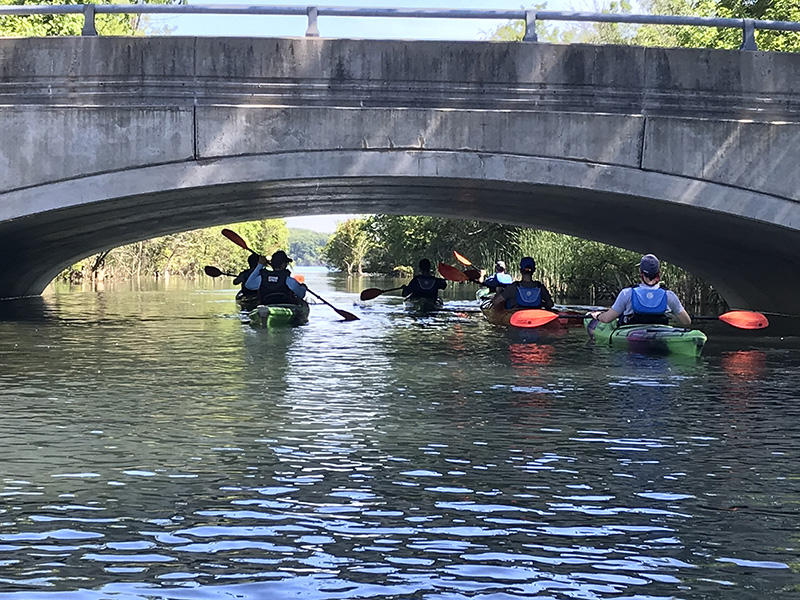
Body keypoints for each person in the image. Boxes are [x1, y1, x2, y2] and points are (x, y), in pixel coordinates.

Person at [591, 254, 691, 326]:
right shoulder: (669, 295)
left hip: (631, 336)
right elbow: (687, 321)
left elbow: (606, 319)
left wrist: (598, 316)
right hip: (660, 334)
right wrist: (672, 315)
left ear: (640, 272)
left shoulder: (627, 293)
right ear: (658, 272)